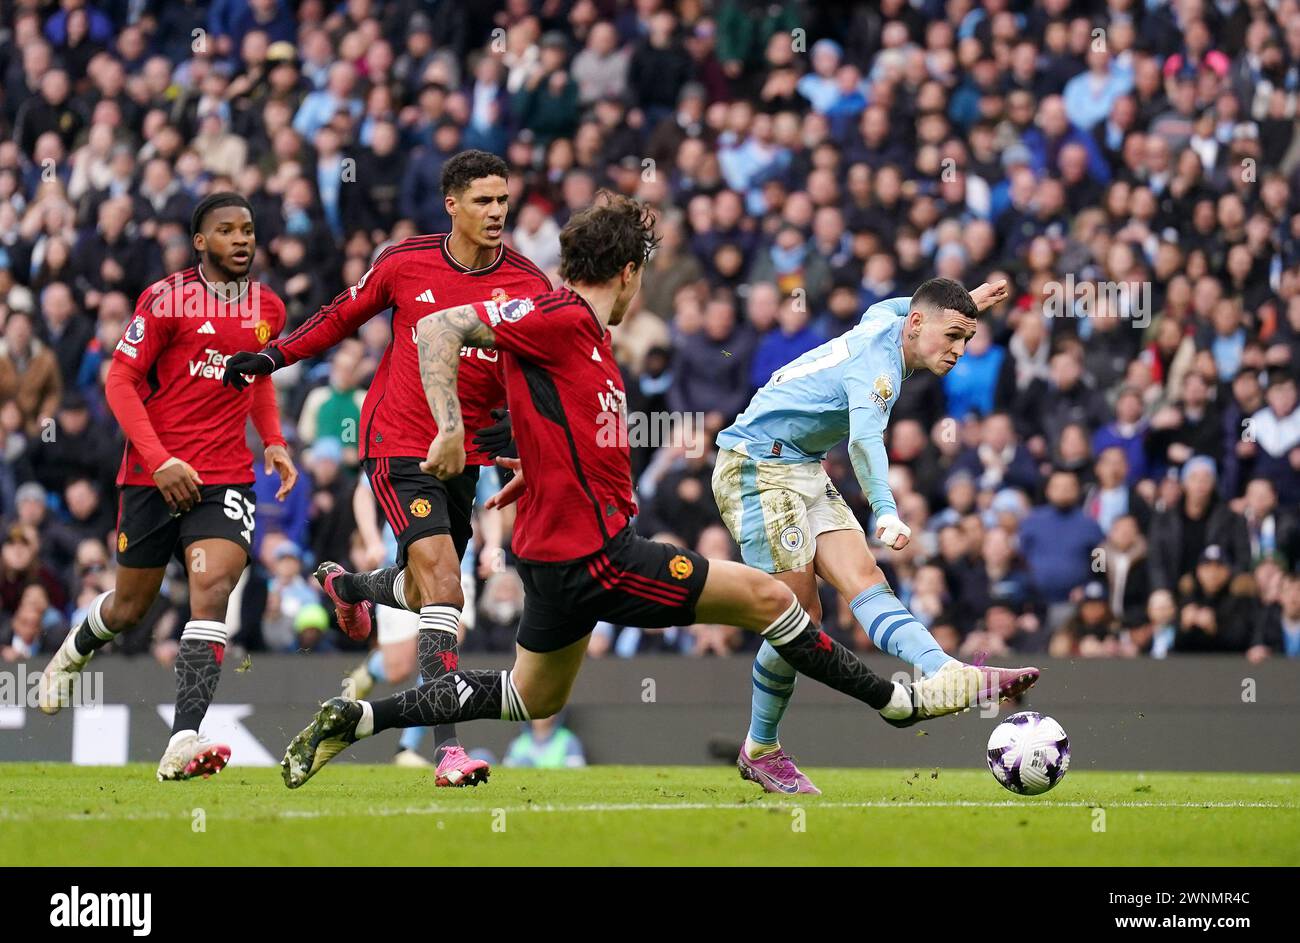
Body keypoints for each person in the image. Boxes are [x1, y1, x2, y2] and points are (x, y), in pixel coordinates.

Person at [280, 193, 1038, 790]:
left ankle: (358, 718)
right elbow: (439, 329)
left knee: (530, 698)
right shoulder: (562, 316)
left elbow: (540, 408)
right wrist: (449, 428)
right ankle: (900, 705)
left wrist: (514, 455)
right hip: (599, 554)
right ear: (629, 274)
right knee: (777, 603)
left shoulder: (573, 332)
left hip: (554, 557)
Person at [222, 150, 552, 788]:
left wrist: (522, 429)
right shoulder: (405, 263)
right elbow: (339, 317)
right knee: (446, 588)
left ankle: (351, 589)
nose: (495, 212)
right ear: (451, 204)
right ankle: (447, 751)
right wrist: (270, 358)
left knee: (424, 588)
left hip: (466, 454)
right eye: (482, 200)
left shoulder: (529, 284)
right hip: (398, 440)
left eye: (502, 200)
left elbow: (540, 371)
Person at [709, 276, 1020, 794]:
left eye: (966, 339)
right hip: (754, 467)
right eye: (952, 337)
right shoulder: (879, 370)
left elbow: (900, 302)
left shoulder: (886, 321)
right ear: (918, 326)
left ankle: (942, 670)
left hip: (801, 466)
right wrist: (885, 509)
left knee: (866, 578)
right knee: (799, 619)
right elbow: (865, 442)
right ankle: (761, 747)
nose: (959, 351)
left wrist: (967, 303)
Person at [38, 192, 298, 781]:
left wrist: (275, 440)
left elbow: (256, 375)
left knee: (213, 585)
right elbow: (120, 381)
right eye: (227, 231)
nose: (242, 240)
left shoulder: (268, 308)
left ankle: (183, 738)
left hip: (225, 474)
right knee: (131, 606)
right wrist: (159, 460)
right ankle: (75, 649)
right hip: (151, 476)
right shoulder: (164, 300)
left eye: (249, 230)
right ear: (200, 242)